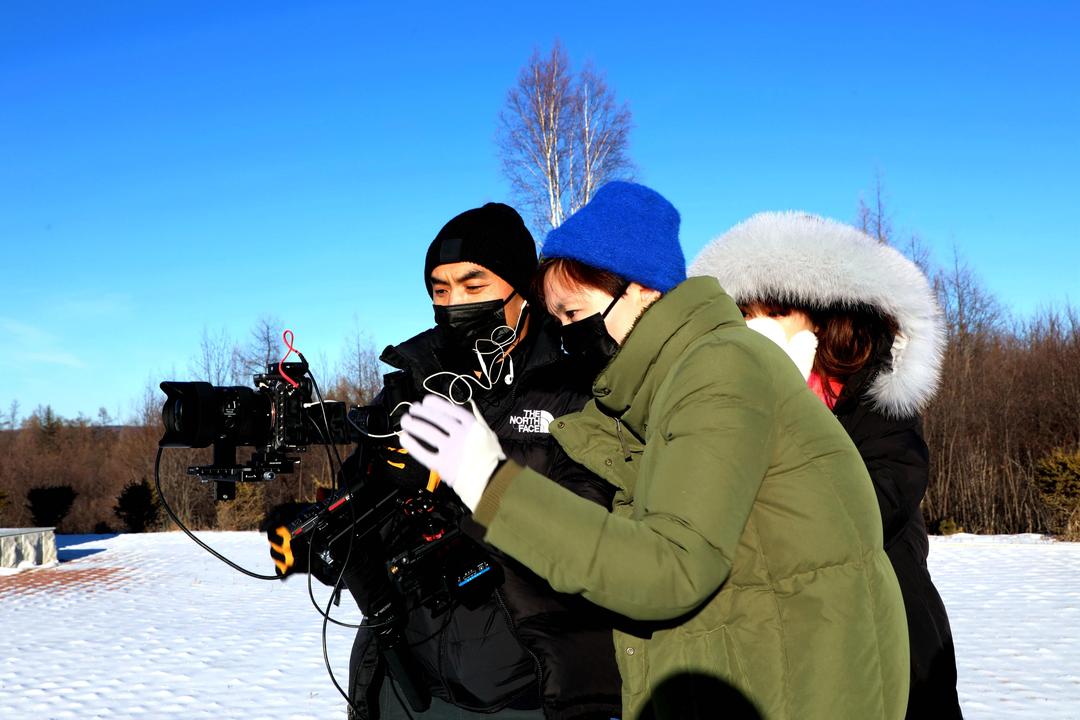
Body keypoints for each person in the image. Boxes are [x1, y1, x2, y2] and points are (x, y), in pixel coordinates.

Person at [398, 182, 911, 720]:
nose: (568, 333)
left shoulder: (719, 369)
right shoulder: (664, 385)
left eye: (573, 313)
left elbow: (669, 569)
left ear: (641, 289)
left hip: (795, 687)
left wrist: (492, 484)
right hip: (760, 671)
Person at [267, 202, 622, 720]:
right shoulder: (411, 388)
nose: (454, 304)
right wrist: (326, 531)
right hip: (406, 684)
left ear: (524, 290)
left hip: (532, 692)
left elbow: (591, 542)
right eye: (440, 290)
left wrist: (465, 484)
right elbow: (364, 509)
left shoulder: (577, 389)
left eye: (474, 287)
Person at [690, 210, 962, 719]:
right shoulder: (723, 402)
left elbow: (878, 501)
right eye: (743, 313)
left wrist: (791, 409)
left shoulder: (874, 399)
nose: (755, 328)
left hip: (889, 632)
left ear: (818, 314)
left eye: (774, 311)